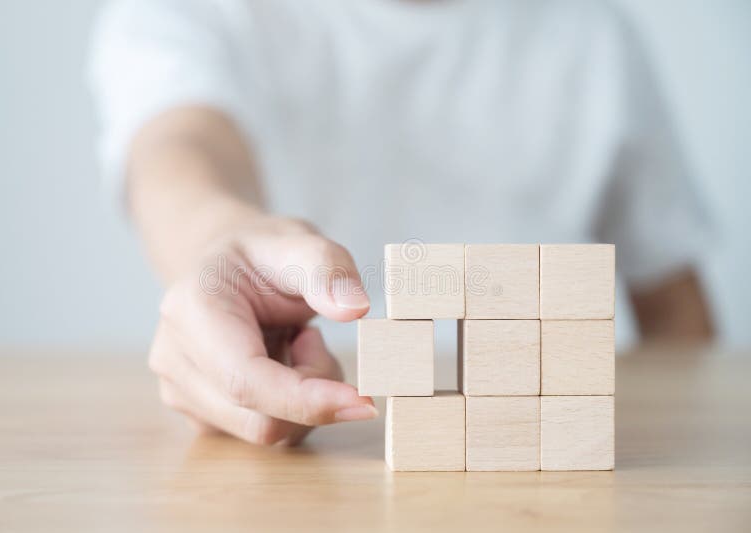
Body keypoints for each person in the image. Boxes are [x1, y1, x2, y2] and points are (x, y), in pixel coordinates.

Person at [89, 0, 714, 446]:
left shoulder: (593, 32)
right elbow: (180, 148)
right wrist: (216, 243)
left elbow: (674, 305)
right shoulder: (191, 13)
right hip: (338, 441)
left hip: (556, 451)